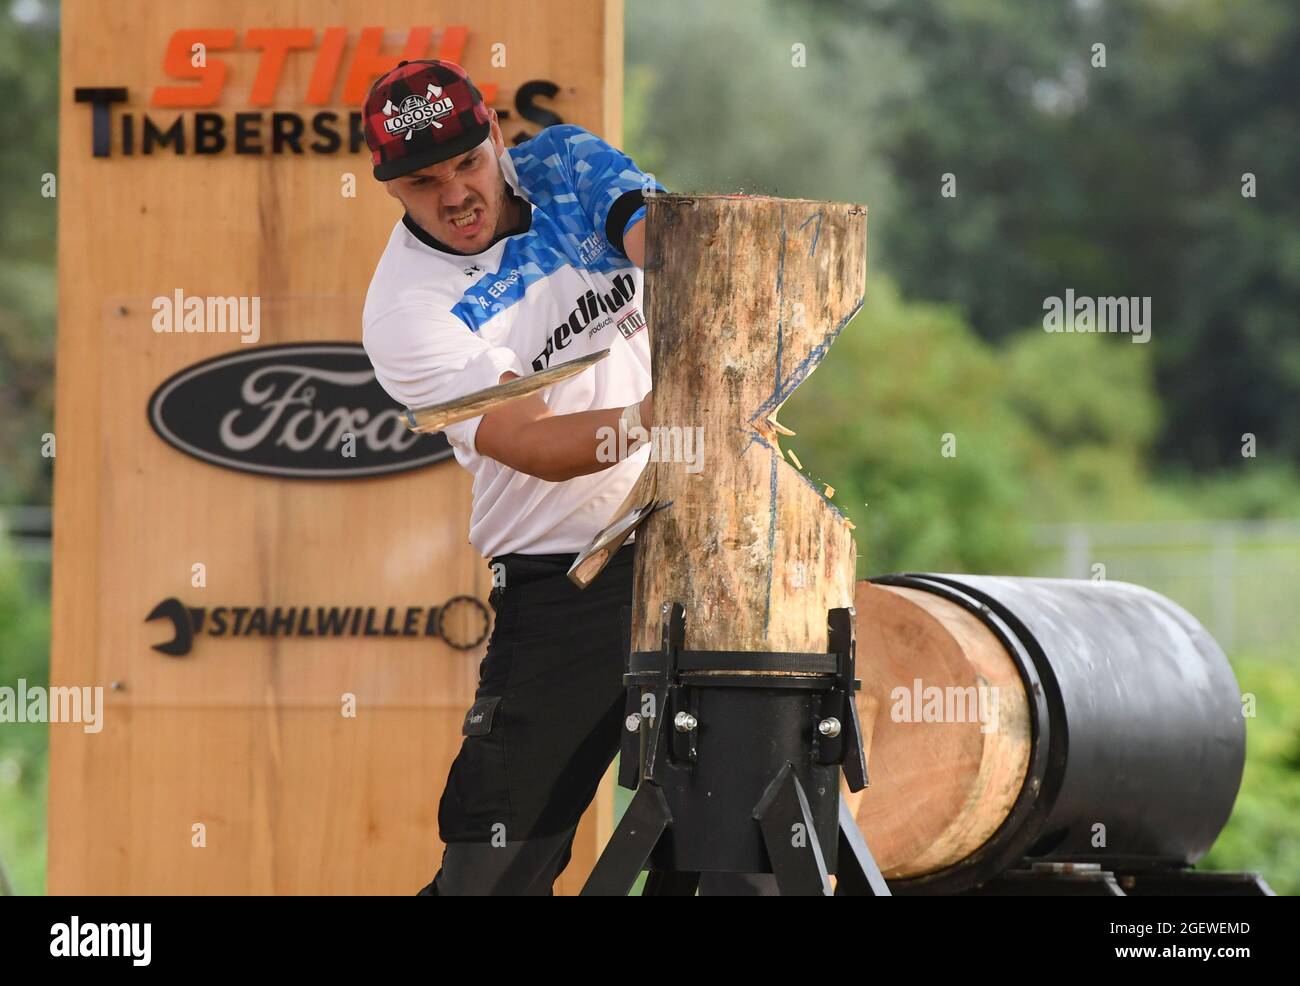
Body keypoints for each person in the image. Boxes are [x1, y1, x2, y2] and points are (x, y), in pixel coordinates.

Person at [360, 58, 661, 895]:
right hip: (564, 578)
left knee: (738, 821)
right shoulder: (405, 310)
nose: (455, 193)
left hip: (692, 534)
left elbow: (663, 241)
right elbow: (530, 442)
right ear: (389, 186)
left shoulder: (563, 164)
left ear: (494, 132)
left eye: (467, 162)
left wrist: (691, 255)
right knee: (496, 872)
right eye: (423, 181)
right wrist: (670, 423)